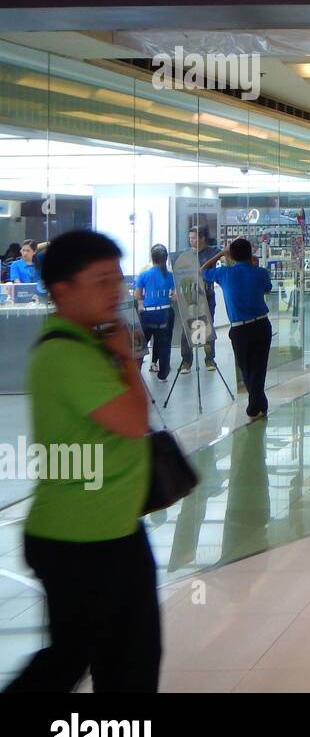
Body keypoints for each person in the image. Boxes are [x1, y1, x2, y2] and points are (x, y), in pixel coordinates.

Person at [3, 230, 160, 693]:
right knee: (109, 660)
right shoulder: (67, 354)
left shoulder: (84, 342)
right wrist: (127, 359)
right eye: (101, 280)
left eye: (116, 277)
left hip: (105, 530)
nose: (114, 290)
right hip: (83, 539)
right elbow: (133, 421)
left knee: (95, 657)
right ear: (61, 290)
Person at [202, 238, 273, 420]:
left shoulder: (224, 274)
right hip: (262, 325)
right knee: (259, 366)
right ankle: (259, 402)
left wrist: (220, 254)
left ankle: (255, 404)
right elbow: (267, 288)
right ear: (250, 254)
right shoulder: (260, 272)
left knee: (246, 367)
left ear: (231, 255)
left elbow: (202, 270)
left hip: (240, 329)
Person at [178, 227, 218, 373]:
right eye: (190, 238)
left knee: (207, 327)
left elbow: (224, 254)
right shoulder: (186, 255)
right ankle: (186, 361)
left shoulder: (212, 252)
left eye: (194, 238)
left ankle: (209, 359)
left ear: (202, 238)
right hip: (190, 297)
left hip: (207, 296)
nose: (191, 241)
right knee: (187, 328)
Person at [135, 244, 175, 381]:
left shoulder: (144, 275)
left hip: (147, 314)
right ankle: (163, 373)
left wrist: (142, 302)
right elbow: (174, 296)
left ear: (152, 258)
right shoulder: (170, 276)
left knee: (140, 346)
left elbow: (137, 295)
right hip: (164, 314)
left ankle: (135, 372)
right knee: (164, 344)